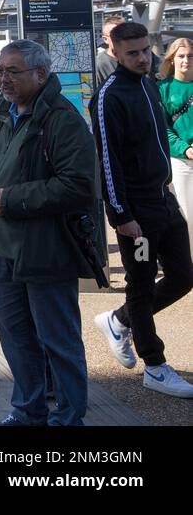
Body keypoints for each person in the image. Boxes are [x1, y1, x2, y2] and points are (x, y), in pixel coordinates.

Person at [0, 39, 97, 425]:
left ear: (41, 74)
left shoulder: (61, 119)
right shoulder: (5, 111)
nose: (3, 78)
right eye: (0, 70)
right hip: (5, 249)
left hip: (45, 250)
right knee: (14, 333)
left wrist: (14, 199)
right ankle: (27, 411)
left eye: (13, 71)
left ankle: (70, 418)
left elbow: (79, 186)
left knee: (58, 339)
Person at [91, 22, 193, 398]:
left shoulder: (150, 84)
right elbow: (108, 160)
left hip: (163, 199)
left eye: (145, 51)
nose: (141, 58)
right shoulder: (109, 95)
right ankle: (154, 364)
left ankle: (119, 320)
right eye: (131, 53)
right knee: (140, 282)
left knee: (184, 275)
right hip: (136, 210)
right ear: (115, 53)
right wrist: (121, 215)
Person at [158, 37, 193, 256]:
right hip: (181, 161)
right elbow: (163, 129)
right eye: (181, 56)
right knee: (187, 215)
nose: (186, 60)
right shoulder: (163, 88)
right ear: (171, 59)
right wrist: (184, 148)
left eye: (190, 56)